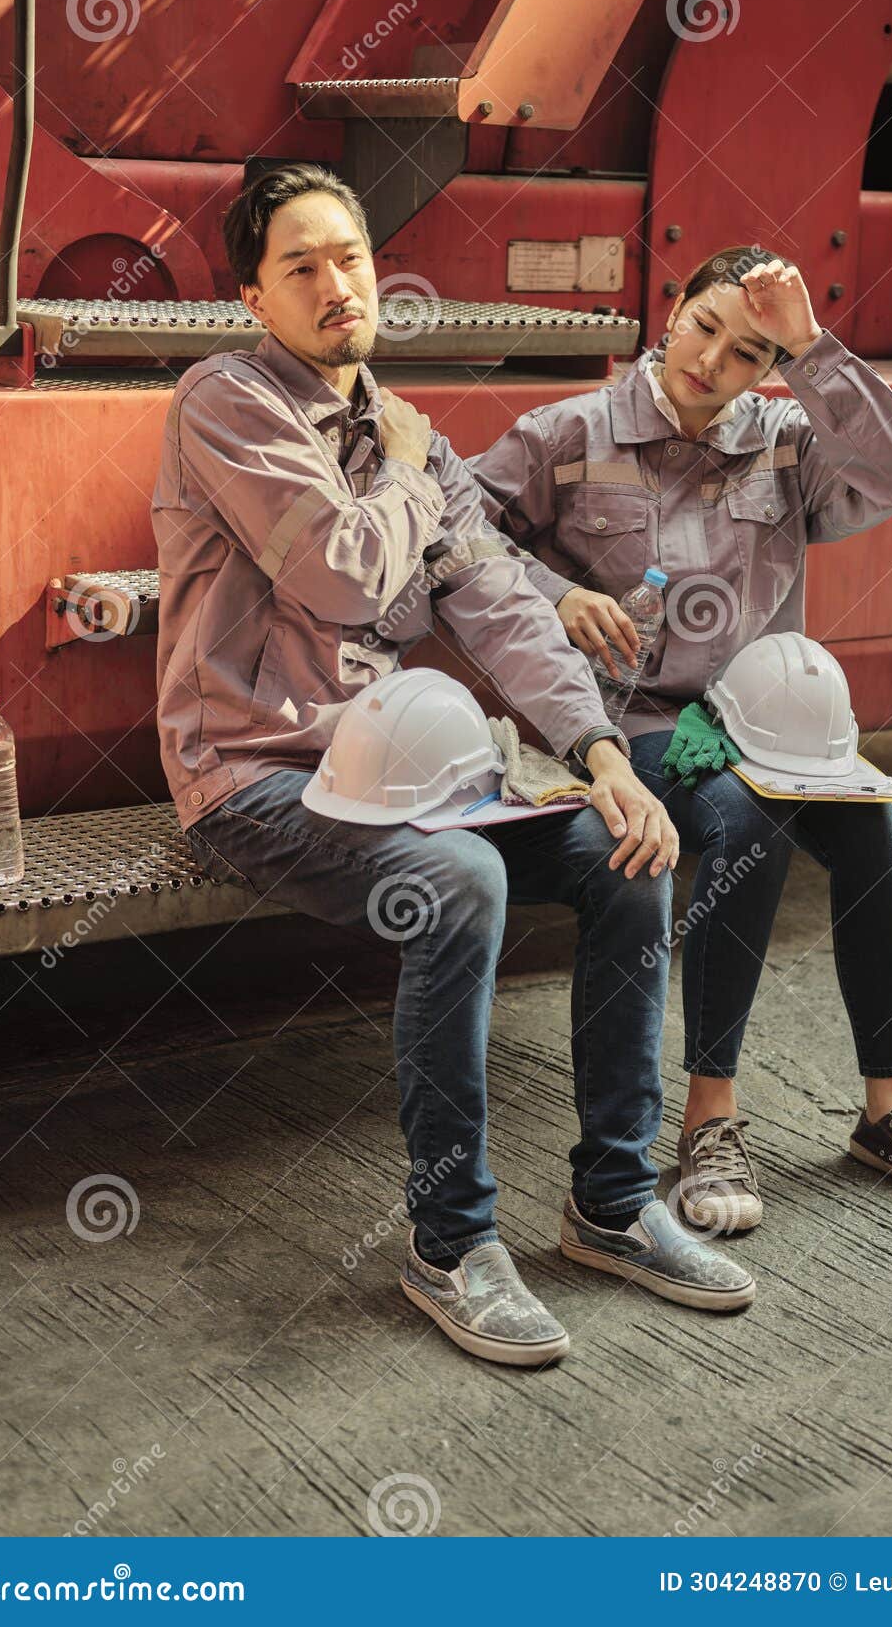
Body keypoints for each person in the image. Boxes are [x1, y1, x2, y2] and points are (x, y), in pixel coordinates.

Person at [150, 164, 754, 1368]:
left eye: (353, 256)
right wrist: (423, 476)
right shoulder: (224, 403)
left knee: (623, 854)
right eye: (302, 266)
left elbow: (502, 612)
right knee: (460, 886)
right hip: (254, 772)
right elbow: (340, 574)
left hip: (405, 765)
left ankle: (613, 1202)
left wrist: (598, 757)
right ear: (251, 297)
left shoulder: (400, 428)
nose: (337, 285)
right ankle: (449, 1242)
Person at [469, 244, 892, 1231]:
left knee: (873, 830)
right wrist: (558, 592)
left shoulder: (791, 443)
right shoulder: (569, 431)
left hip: (767, 718)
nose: (713, 361)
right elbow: (456, 525)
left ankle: (890, 1108)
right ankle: (710, 1120)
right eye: (704, 326)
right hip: (637, 721)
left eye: (750, 352)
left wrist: (814, 346)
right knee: (745, 821)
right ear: (670, 311)